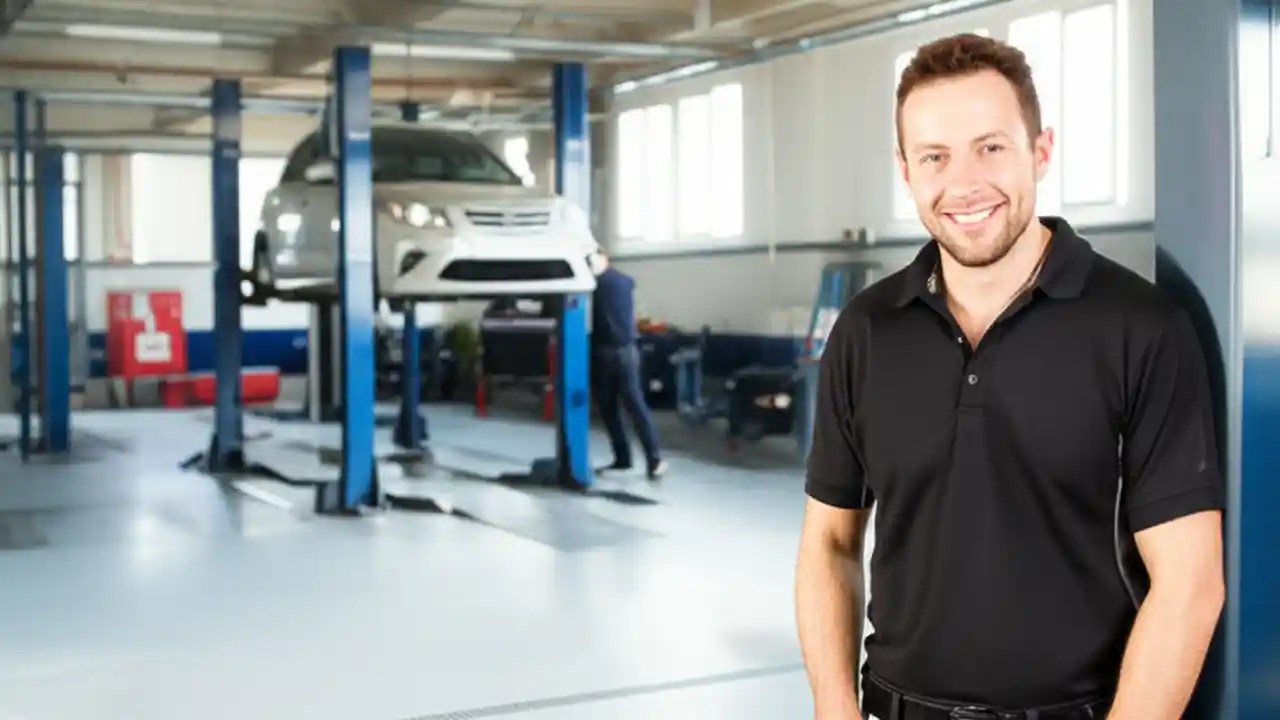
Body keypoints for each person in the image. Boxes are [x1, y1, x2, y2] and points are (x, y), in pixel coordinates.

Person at [794, 33, 1225, 720]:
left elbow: (1190, 582)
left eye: (990, 147)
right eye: (935, 156)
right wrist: (833, 706)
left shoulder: (1139, 327)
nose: (963, 184)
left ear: (1041, 151)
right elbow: (830, 542)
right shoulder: (867, 332)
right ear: (906, 170)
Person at [588, 250, 667, 480]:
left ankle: (638, 458)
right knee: (627, 406)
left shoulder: (597, 284)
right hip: (625, 351)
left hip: (610, 351)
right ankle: (646, 459)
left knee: (615, 407)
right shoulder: (622, 281)